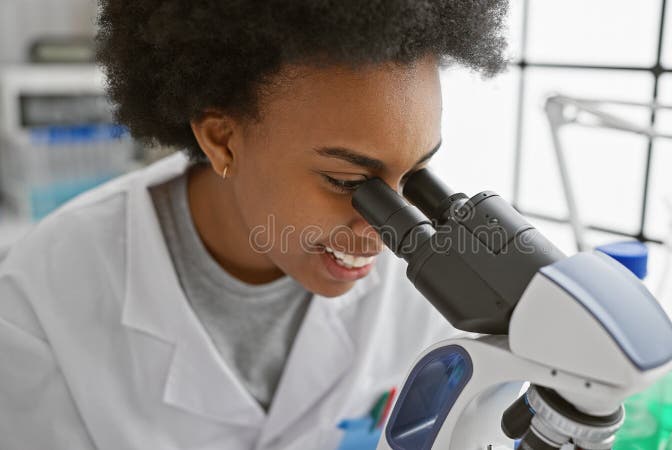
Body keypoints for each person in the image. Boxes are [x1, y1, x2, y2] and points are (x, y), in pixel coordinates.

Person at [0, 1, 509, 449]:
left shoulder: (428, 290)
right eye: (346, 180)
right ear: (222, 139)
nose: (387, 230)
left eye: (416, 176)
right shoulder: (39, 298)